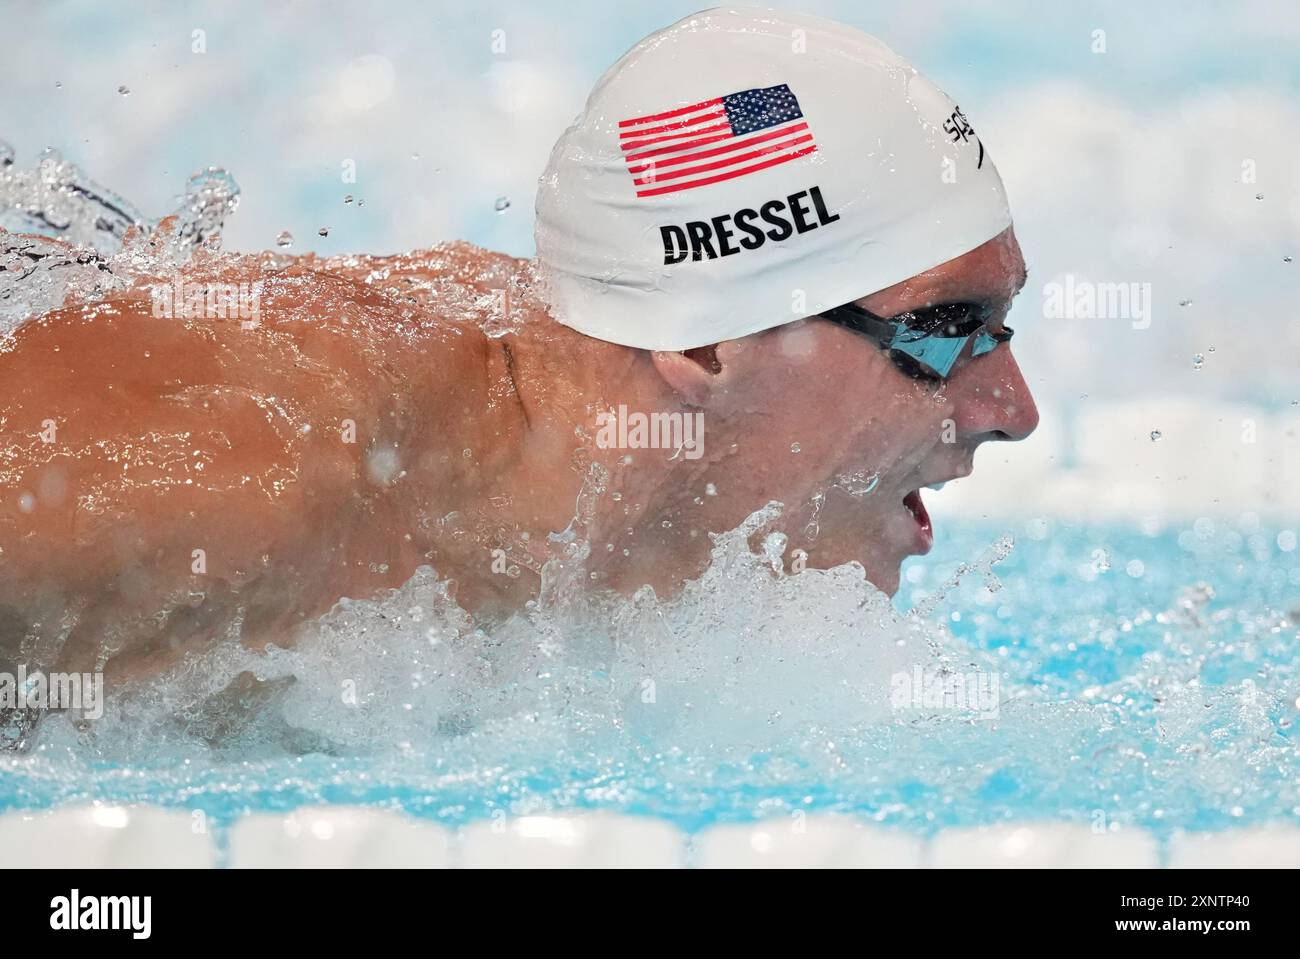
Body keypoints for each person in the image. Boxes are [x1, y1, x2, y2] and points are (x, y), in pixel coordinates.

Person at [0, 7, 1036, 689]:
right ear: (707, 343)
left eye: (999, 331)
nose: (1015, 410)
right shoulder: (251, 487)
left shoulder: (585, 454)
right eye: (944, 332)